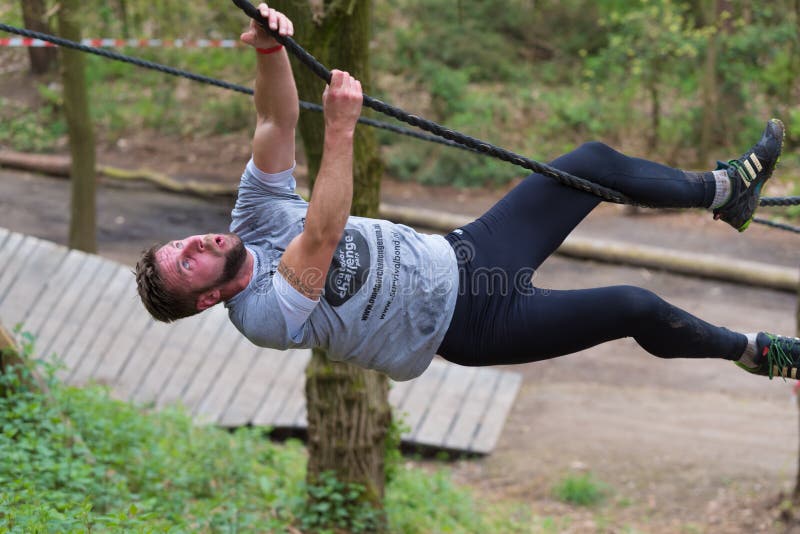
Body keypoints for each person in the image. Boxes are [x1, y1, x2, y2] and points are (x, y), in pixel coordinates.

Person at [135, 4, 798, 382]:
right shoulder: (259, 318)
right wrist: (340, 129)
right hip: (471, 325)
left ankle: (722, 192)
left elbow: (276, 122)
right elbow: (322, 237)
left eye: (180, 244)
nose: (194, 242)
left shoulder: (249, 216)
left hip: (466, 255)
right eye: (187, 261)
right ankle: (753, 352)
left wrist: (268, 52)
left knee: (591, 161)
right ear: (210, 297)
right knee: (634, 306)